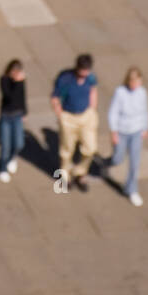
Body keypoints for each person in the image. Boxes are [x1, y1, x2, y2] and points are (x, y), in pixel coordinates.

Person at [51, 53, 99, 192]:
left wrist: (93, 108)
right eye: (83, 71)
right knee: (67, 149)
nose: (85, 74)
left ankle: (80, 172)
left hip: (86, 116)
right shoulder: (65, 79)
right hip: (69, 117)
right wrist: (60, 115)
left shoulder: (90, 78)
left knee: (90, 148)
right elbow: (55, 97)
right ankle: (65, 175)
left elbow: (93, 90)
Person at [104, 67, 148, 207]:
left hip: (136, 132)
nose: (135, 85)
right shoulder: (120, 93)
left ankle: (131, 190)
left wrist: (144, 128)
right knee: (118, 158)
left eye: (138, 82)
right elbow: (113, 113)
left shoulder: (142, 93)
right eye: (133, 82)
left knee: (135, 163)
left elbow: (145, 111)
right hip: (122, 132)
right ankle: (106, 163)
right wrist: (114, 132)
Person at [0, 59, 27, 183]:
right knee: (5, 145)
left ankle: (12, 158)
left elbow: (23, 97)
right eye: (14, 72)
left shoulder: (21, 81)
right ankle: (2, 169)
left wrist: (25, 112)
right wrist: (18, 83)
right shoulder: (4, 80)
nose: (16, 74)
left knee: (19, 143)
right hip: (6, 116)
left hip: (18, 115)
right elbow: (10, 97)